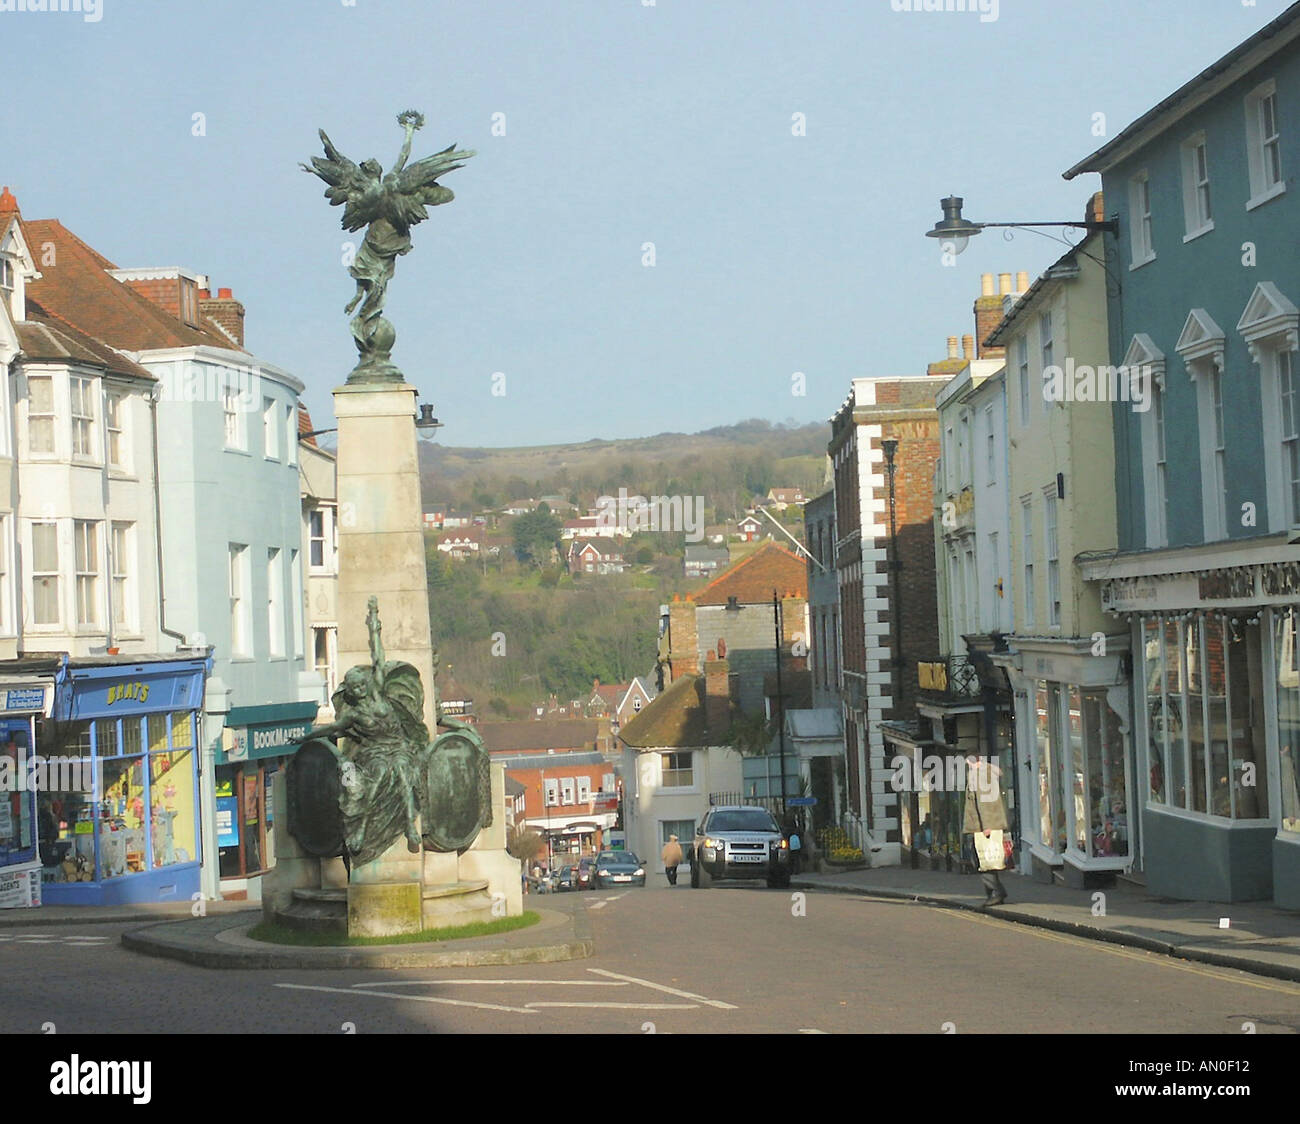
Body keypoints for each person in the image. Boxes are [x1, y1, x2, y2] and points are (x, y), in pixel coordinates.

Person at [963, 756, 1010, 907]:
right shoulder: (986, 773)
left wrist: (986, 826)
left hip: (983, 827)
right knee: (987, 859)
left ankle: (996, 892)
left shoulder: (980, 775)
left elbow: (985, 802)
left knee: (983, 860)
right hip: (986, 825)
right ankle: (995, 892)